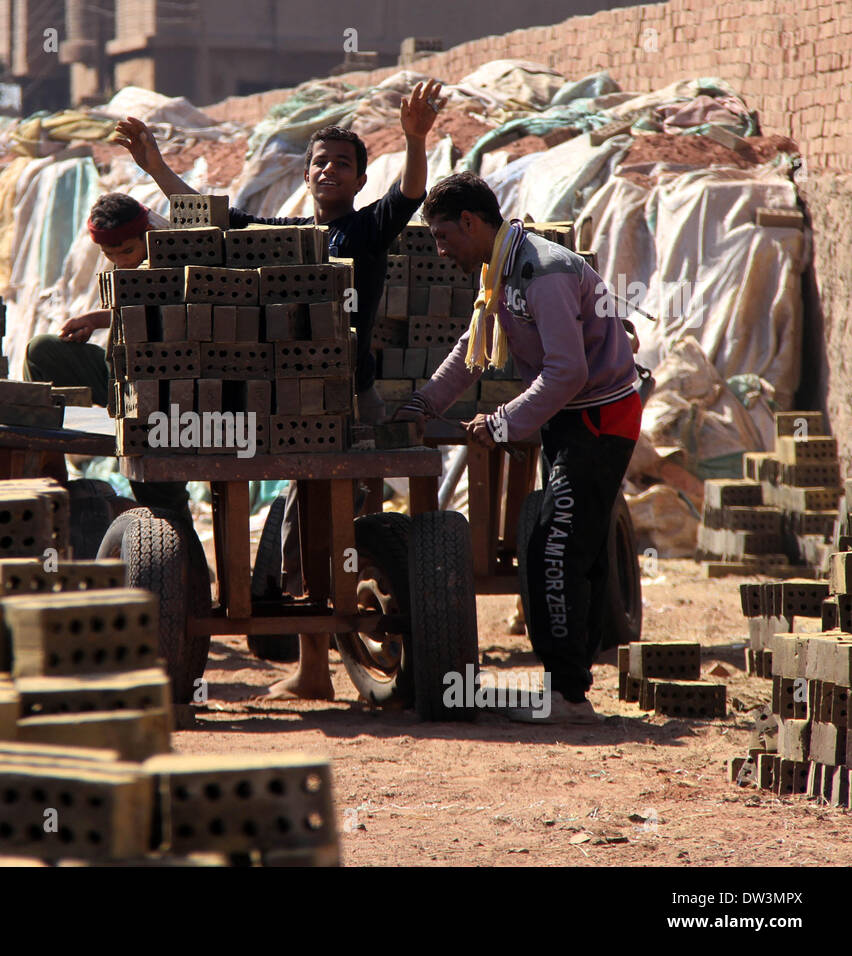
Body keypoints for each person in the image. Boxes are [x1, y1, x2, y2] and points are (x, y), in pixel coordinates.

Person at [116, 79, 445, 699]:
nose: (329, 171)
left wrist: (414, 137)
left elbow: (412, 194)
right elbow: (211, 223)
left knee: (338, 522)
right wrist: (157, 167)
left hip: (352, 401)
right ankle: (313, 669)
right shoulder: (282, 239)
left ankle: (337, 650)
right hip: (287, 407)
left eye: (342, 164)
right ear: (307, 173)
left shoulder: (369, 229)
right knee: (301, 527)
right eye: (320, 161)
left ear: (357, 179)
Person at [394, 172, 642, 724]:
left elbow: (567, 370)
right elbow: (473, 343)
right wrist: (427, 401)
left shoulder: (542, 270)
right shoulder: (501, 269)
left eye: (442, 237)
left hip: (599, 417)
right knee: (575, 543)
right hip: (574, 419)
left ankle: (568, 699)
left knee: (552, 548)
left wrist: (504, 422)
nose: (439, 250)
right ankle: (575, 689)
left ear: (470, 223)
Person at [24, 193, 189, 517]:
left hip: (162, 390)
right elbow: (127, 310)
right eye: (110, 253)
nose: (121, 260)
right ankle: (51, 478)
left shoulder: (170, 256)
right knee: (41, 351)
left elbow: (166, 315)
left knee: (159, 500)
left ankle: (184, 556)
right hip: (118, 375)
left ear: (146, 237)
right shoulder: (126, 258)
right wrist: (92, 321)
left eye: (127, 251)